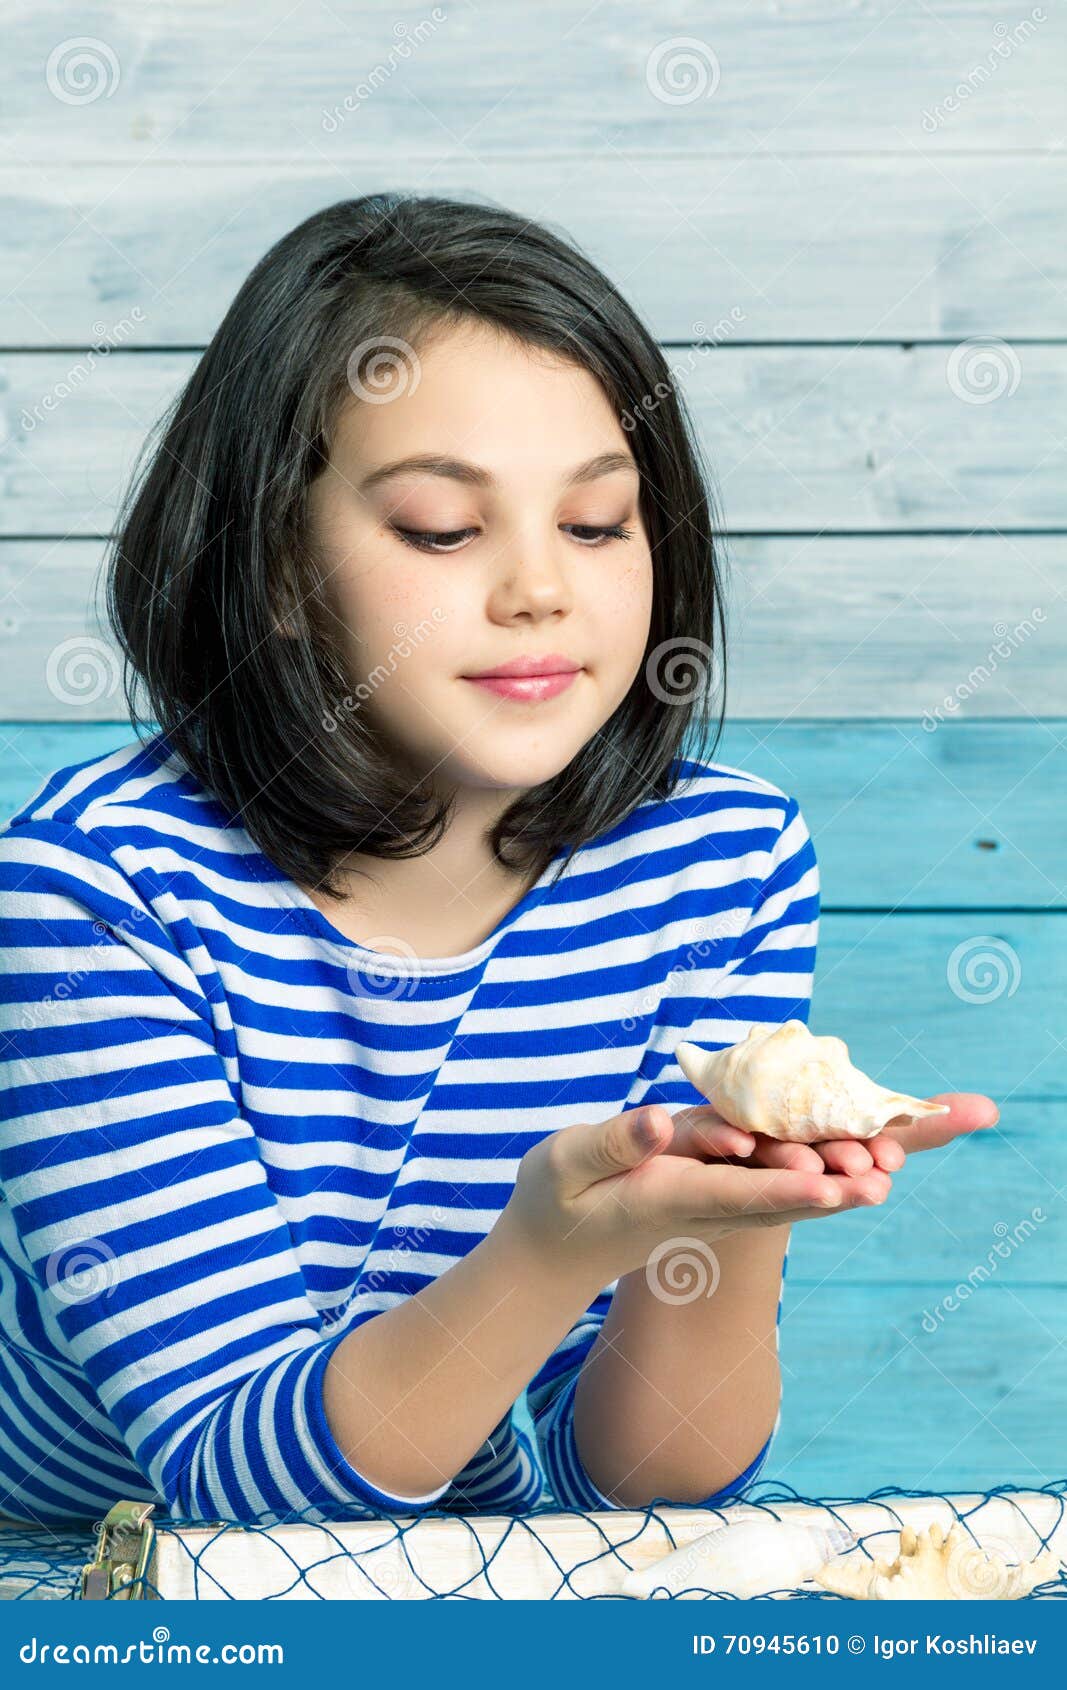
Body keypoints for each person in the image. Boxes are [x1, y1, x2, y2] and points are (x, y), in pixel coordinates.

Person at [0, 193, 997, 1526]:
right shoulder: (101, 889)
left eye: (595, 525)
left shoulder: (721, 861)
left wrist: (733, 1212)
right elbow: (232, 1488)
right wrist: (542, 1253)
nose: (540, 589)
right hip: (91, 1577)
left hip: (462, 1563)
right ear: (283, 569)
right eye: (440, 528)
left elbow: (633, 1485)